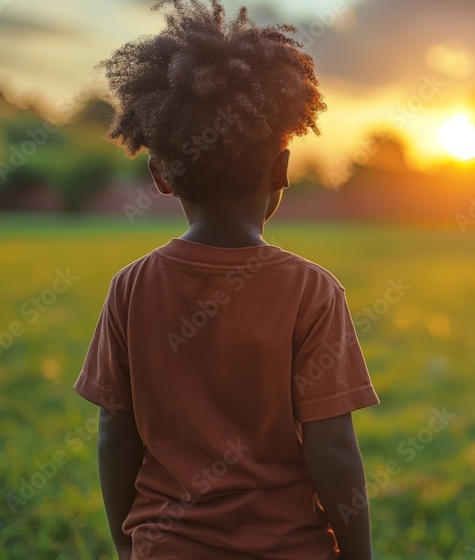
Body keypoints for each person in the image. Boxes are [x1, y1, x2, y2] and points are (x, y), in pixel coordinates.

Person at [73, 1, 378, 558]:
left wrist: (129, 547)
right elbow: (331, 447)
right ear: (281, 168)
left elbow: (114, 435)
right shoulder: (312, 291)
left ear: (160, 175)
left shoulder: (131, 287)